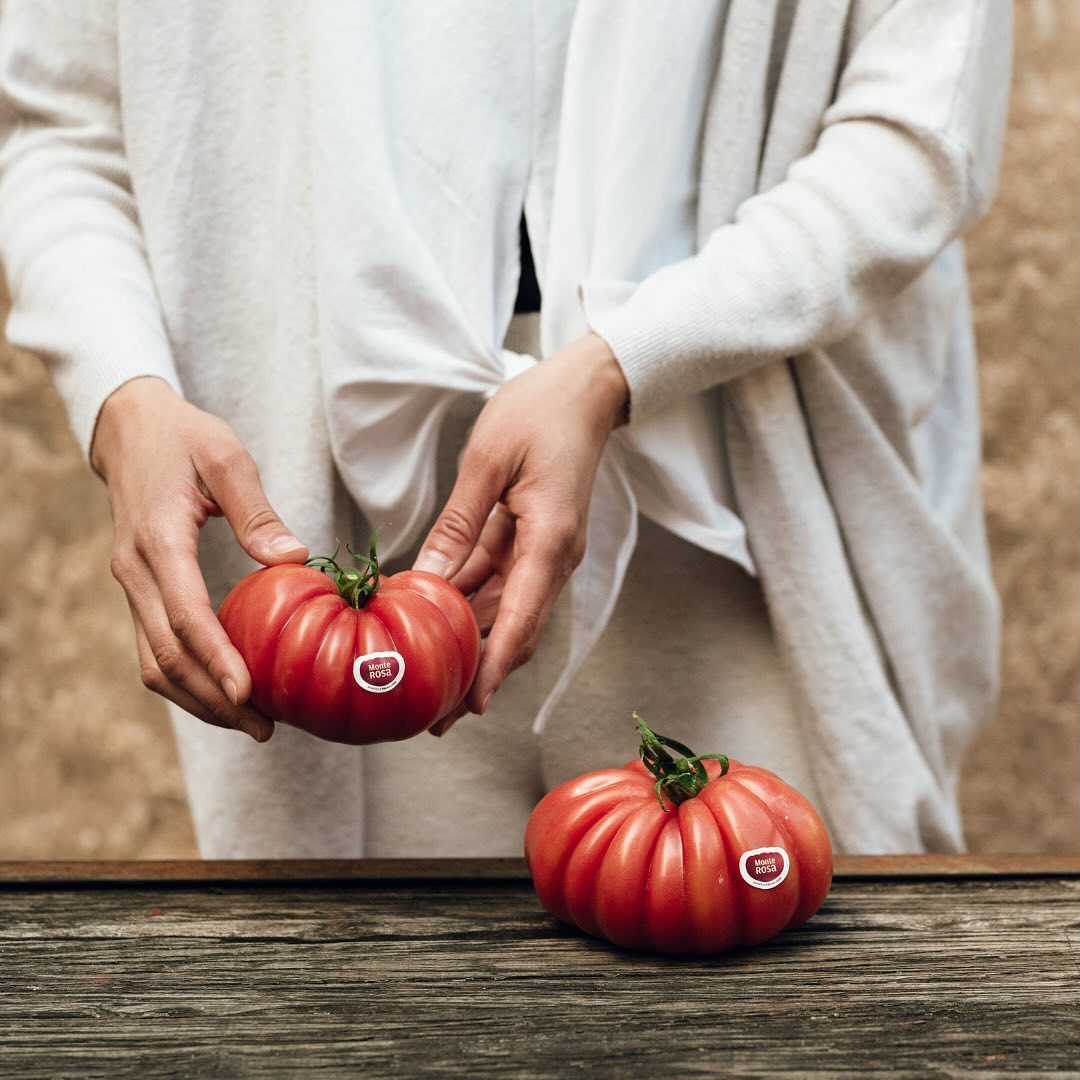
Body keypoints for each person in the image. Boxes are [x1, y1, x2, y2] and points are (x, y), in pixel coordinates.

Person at [0, 0, 1011, 856]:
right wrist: (122, 396)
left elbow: (921, 125)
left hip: (747, 497)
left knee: (805, 999)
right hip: (328, 520)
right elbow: (58, 129)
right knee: (375, 1008)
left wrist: (623, 364)